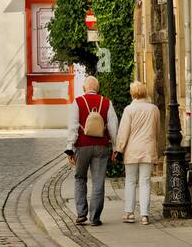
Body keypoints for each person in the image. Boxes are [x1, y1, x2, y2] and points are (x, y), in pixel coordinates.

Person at [65, 75, 118, 226]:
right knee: (98, 181)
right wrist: (115, 147)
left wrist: (70, 148)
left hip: (82, 146)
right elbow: (113, 127)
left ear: (84, 88)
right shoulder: (106, 102)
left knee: (80, 178)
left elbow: (73, 126)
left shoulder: (78, 102)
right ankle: (95, 217)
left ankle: (81, 214)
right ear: (98, 88)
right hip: (101, 146)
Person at [113, 81, 161, 224]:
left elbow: (123, 132)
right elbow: (157, 130)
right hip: (147, 149)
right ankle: (145, 215)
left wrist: (118, 149)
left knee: (130, 181)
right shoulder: (154, 109)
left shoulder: (129, 110)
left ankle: (129, 213)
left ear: (132, 93)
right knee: (145, 182)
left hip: (132, 151)